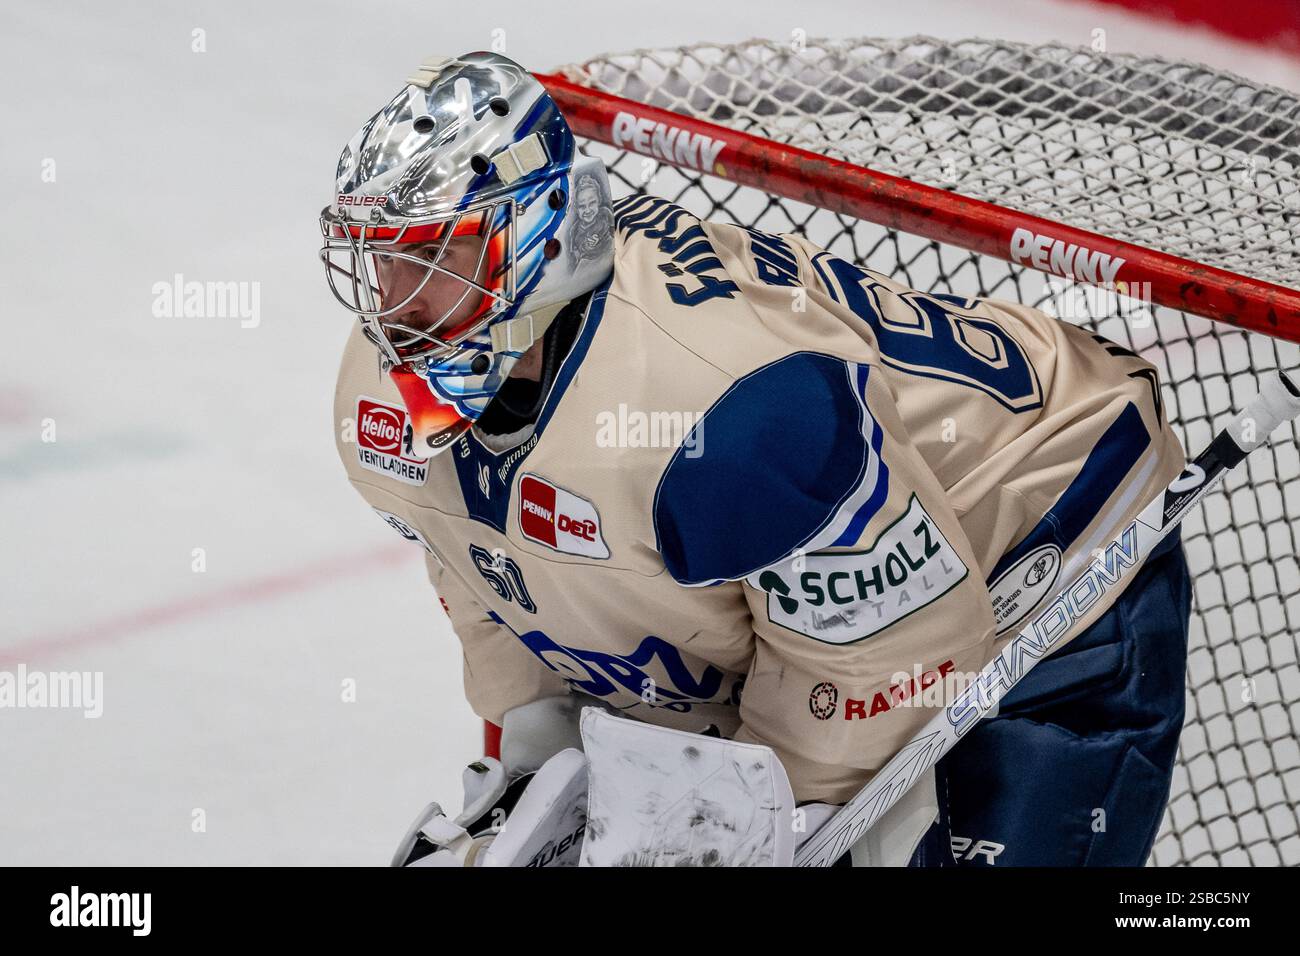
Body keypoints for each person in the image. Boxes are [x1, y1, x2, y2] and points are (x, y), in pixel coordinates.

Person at [321, 51, 1191, 866]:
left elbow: (894, 656)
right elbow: (482, 569)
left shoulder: (722, 411)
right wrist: (537, 743)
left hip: (1042, 537)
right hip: (829, 609)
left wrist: (733, 824)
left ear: (538, 237)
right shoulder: (383, 395)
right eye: (380, 260)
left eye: (431, 255)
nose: (394, 302)